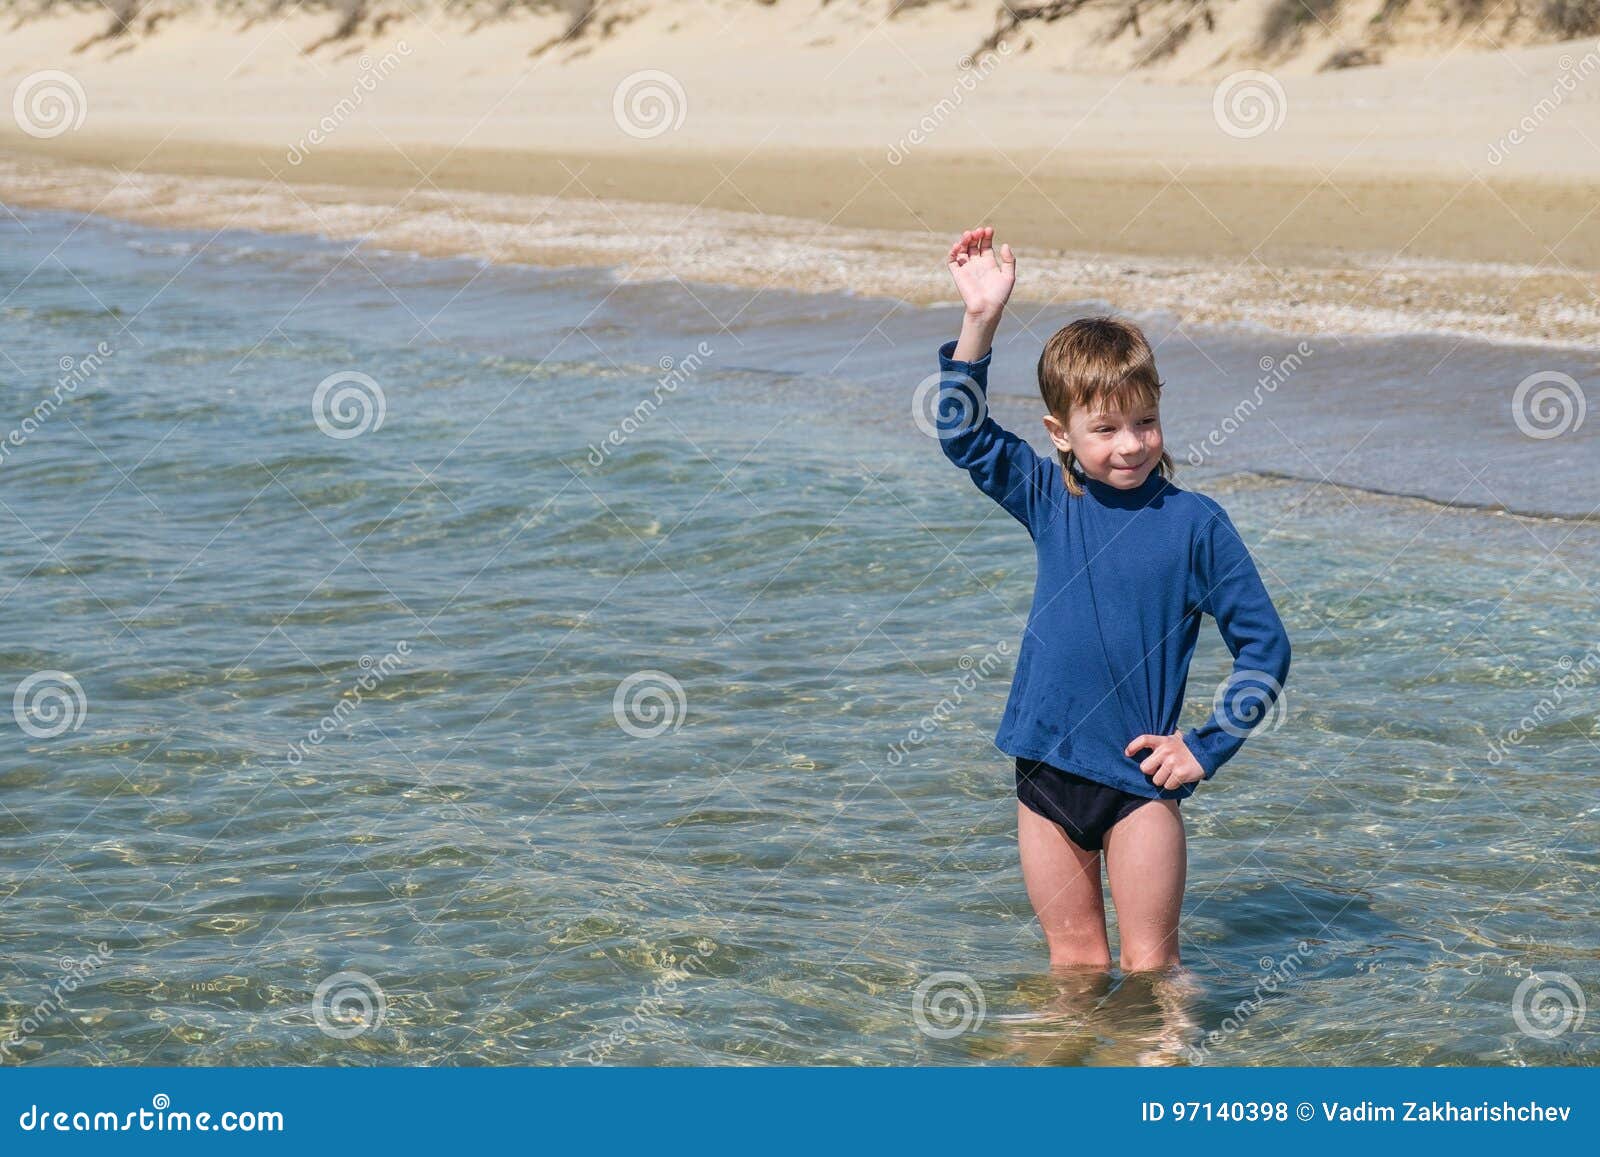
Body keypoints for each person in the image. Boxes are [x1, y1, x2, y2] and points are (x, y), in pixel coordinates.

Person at [934, 227, 1291, 973]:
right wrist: (981, 318)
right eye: (1105, 428)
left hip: (1140, 784)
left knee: (1152, 974)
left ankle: (1163, 1084)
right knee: (1074, 970)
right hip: (1044, 772)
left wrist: (1206, 743)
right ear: (1060, 434)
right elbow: (963, 434)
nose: (1130, 444)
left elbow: (1267, 647)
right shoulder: (1048, 496)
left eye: (1144, 421)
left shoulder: (1196, 525)